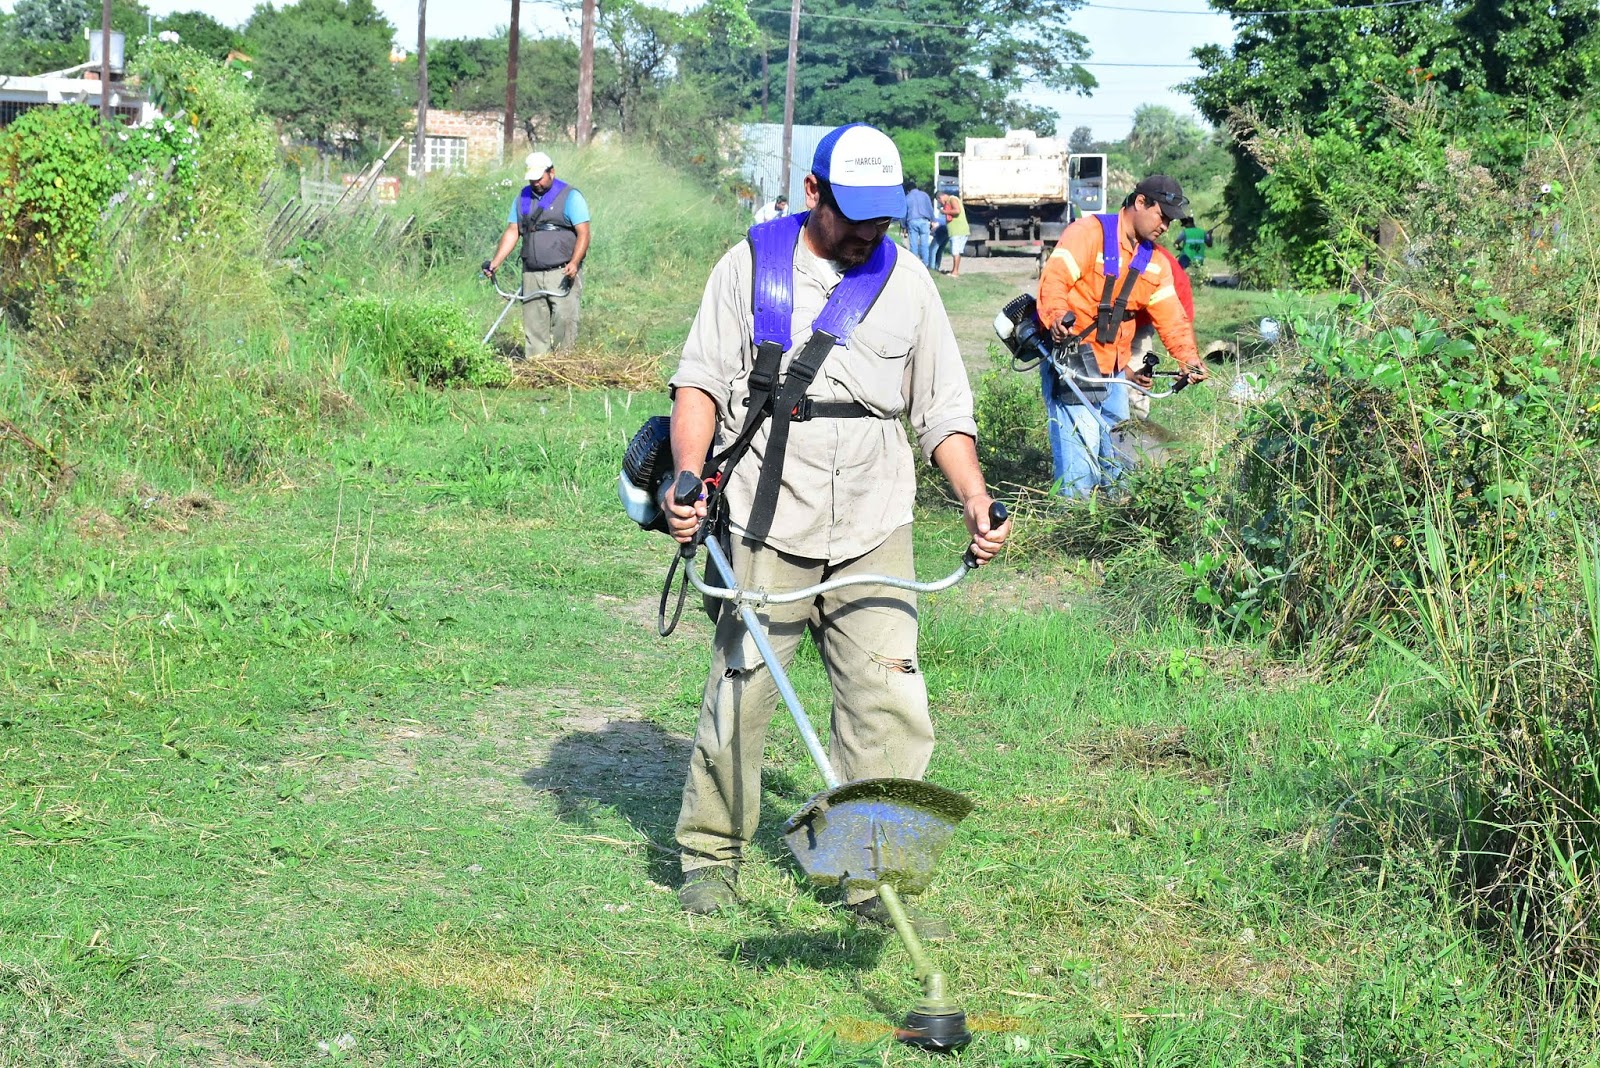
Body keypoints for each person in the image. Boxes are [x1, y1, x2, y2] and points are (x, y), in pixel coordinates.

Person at [661, 122, 1011, 936]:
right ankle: (711, 859)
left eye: (882, 217)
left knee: (889, 705)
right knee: (740, 696)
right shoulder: (750, 266)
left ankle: (873, 883)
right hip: (763, 517)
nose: (867, 234)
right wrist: (689, 473)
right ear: (812, 192)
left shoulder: (910, 282)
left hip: (874, 521)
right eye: (853, 214)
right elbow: (700, 385)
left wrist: (971, 495)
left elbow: (944, 410)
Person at [1036, 175, 1208, 497]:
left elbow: (1172, 318)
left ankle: (1118, 533)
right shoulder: (1088, 234)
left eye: (1171, 221)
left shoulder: (1155, 263)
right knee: (1080, 467)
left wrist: (1189, 359)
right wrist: (1058, 316)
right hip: (1074, 362)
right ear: (1140, 202)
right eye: (1162, 216)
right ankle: (1069, 538)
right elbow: (1055, 280)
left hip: (1114, 372)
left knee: (1121, 461)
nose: (1166, 227)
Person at [483, 151, 591, 359]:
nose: (536, 183)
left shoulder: (570, 196)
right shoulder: (523, 197)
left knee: (563, 322)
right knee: (534, 326)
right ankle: (537, 368)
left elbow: (584, 233)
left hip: (561, 272)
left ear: (551, 172)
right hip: (531, 272)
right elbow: (513, 231)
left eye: (539, 178)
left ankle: (564, 367)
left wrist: (575, 263)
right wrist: (495, 262)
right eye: (532, 179)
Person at [901, 179, 937, 270]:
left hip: (912, 221)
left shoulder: (906, 198)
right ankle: (926, 264)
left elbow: (903, 213)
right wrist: (933, 219)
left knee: (913, 244)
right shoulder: (924, 195)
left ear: (908, 190)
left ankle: (914, 265)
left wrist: (903, 225)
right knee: (924, 243)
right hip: (924, 221)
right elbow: (929, 208)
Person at [939, 191, 970, 277]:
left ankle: (955, 272)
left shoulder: (952, 199)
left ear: (941, 197)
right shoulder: (951, 200)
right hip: (961, 230)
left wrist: (944, 212)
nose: (941, 203)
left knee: (955, 251)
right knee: (958, 251)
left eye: (939, 201)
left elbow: (957, 210)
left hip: (957, 230)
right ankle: (955, 270)